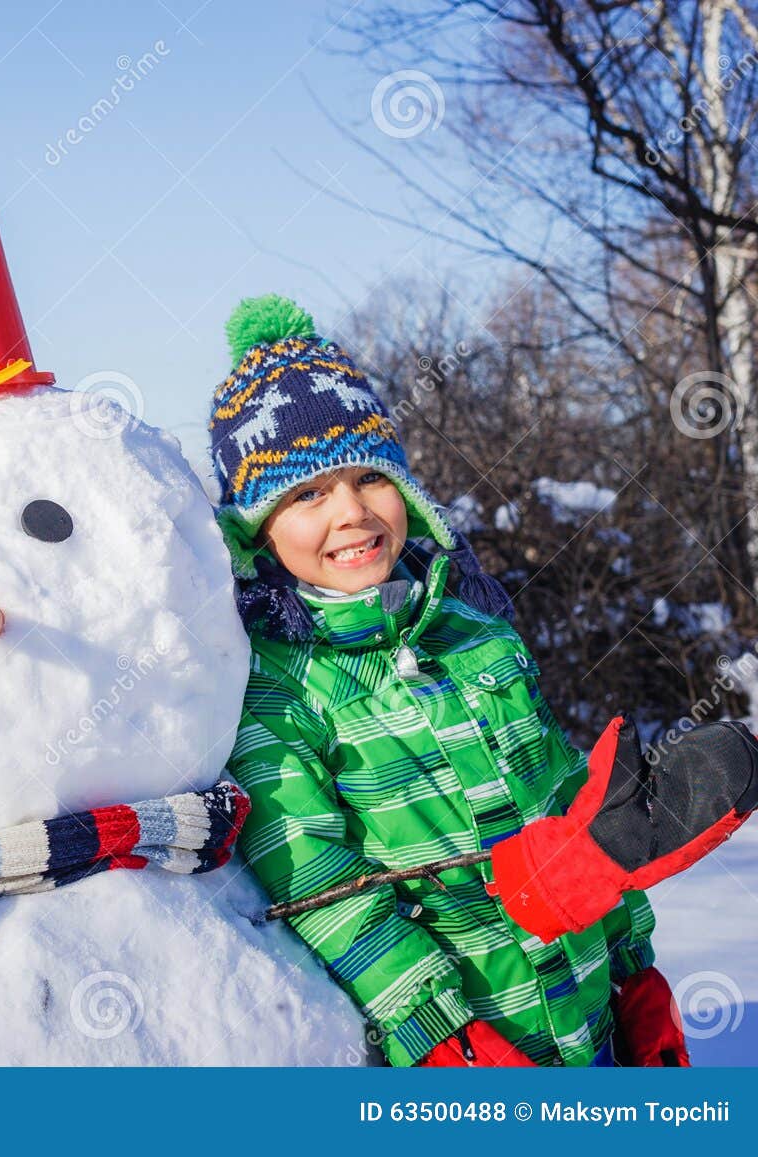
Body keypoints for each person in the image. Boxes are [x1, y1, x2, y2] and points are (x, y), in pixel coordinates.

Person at [214, 295, 686, 1067]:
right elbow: (325, 886)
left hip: (594, 1020)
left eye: (371, 476)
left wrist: (637, 972)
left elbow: (578, 810)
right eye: (307, 494)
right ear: (256, 528)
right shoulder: (278, 692)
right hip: (475, 1052)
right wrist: (440, 1033)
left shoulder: (479, 633)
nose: (352, 513)